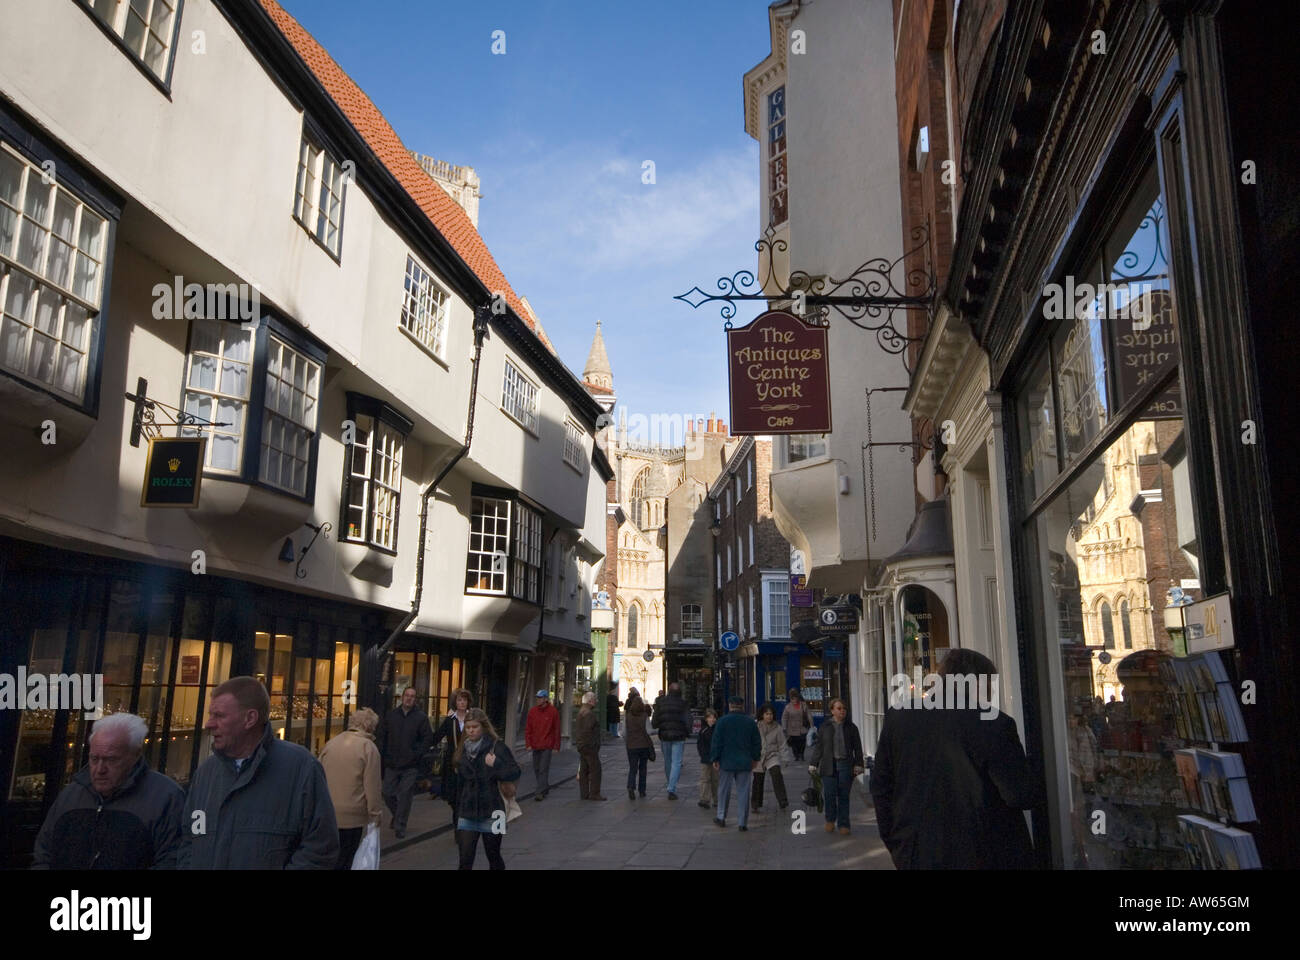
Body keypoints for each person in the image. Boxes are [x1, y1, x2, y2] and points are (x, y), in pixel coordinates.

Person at [870, 649, 1037, 868]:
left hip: (916, 852)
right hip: (984, 854)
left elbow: (881, 787)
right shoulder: (995, 724)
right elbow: (1019, 795)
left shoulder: (899, 717)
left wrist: (898, 844)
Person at [178, 676, 338, 868]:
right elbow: (189, 839)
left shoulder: (301, 768)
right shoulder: (206, 774)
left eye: (219, 716)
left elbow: (320, 848)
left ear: (250, 719)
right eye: (211, 715)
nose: (209, 724)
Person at [32, 712, 184, 869]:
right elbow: (44, 853)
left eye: (111, 760)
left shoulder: (165, 797)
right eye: (94, 759)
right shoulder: (71, 794)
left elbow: (171, 861)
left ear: (135, 755)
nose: (100, 769)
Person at [454, 708, 521, 870]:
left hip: (493, 811)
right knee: (465, 859)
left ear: (483, 727)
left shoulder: (496, 747)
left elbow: (515, 771)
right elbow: (458, 781)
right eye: (468, 727)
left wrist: (496, 764)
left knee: (493, 855)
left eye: (474, 727)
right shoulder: (463, 749)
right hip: (467, 811)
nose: (470, 730)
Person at [318, 707, 383, 869]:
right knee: (347, 859)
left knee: (330, 859)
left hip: (327, 813)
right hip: (352, 816)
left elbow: (318, 775)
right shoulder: (368, 748)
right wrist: (375, 814)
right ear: (370, 727)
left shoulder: (331, 743)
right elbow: (372, 786)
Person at [377, 686, 434, 838]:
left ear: (415, 699)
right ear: (402, 697)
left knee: (405, 794)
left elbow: (427, 738)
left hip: (411, 764)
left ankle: (400, 825)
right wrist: (384, 756)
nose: (409, 698)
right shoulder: (392, 716)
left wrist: (416, 754)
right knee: (387, 793)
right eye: (407, 695)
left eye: (412, 696)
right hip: (392, 762)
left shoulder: (420, 717)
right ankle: (397, 815)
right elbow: (383, 736)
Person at [809, 698, 864, 835]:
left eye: (844, 708)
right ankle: (830, 820)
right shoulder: (825, 727)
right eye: (839, 709)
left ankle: (844, 824)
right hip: (829, 765)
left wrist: (858, 764)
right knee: (829, 794)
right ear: (832, 711)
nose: (842, 711)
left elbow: (857, 748)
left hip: (845, 764)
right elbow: (819, 747)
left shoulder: (851, 728)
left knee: (844, 795)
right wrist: (813, 763)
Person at [710, 695, 762, 831]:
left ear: (730, 705)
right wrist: (756, 758)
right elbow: (757, 742)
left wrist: (715, 758)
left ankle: (721, 817)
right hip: (745, 761)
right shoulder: (750, 722)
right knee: (744, 792)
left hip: (726, 761)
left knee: (723, 791)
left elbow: (716, 742)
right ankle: (742, 822)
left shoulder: (722, 721)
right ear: (742, 706)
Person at [430, 688, 472, 832]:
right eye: (459, 700)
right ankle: (458, 825)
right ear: (455, 702)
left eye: (464, 700)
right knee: (454, 799)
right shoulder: (450, 721)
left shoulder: (472, 719)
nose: (462, 703)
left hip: (469, 764)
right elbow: (436, 737)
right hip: (452, 764)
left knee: (465, 797)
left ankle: (462, 828)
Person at [651, 681, 689, 799]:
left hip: (665, 736)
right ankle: (671, 788)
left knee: (668, 762)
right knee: (676, 762)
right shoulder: (683, 703)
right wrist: (687, 732)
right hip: (679, 736)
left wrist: (659, 725)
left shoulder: (661, 702)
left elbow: (654, 722)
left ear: (669, 690)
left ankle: (670, 785)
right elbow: (688, 720)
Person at [524, 689, 561, 801]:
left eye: (540, 698)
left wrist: (556, 746)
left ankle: (539, 792)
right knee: (536, 768)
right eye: (537, 698)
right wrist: (528, 743)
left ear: (545, 699)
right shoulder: (532, 712)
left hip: (547, 745)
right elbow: (528, 729)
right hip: (535, 745)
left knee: (543, 769)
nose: (538, 700)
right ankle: (544, 787)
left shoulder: (553, 712)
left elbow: (557, 730)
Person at [753, 704, 789, 811]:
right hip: (759, 756)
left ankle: (782, 800)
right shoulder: (756, 726)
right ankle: (756, 803)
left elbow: (782, 744)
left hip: (772, 755)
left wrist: (785, 758)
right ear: (762, 715)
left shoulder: (777, 727)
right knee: (758, 780)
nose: (769, 716)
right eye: (767, 714)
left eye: (771, 714)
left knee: (776, 773)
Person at [574, 691, 606, 800]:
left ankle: (584, 793)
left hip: (582, 745)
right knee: (595, 769)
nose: (596, 702)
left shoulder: (581, 711)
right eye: (595, 700)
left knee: (584, 769)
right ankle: (594, 793)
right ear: (590, 701)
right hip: (589, 746)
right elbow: (588, 731)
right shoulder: (589, 714)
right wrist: (593, 745)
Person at [623, 687, 653, 799]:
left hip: (631, 746)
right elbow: (649, 731)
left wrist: (628, 740)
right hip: (644, 745)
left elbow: (623, 733)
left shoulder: (627, 717)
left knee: (633, 768)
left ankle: (631, 787)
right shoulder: (645, 716)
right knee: (643, 768)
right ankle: (642, 790)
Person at [696, 708, 719, 808]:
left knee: (716, 780)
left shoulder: (718, 730)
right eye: (710, 717)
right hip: (706, 758)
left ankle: (717, 800)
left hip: (716, 759)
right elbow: (700, 745)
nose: (712, 719)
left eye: (714, 717)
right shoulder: (703, 731)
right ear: (706, 719)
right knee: (705, 779)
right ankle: (704, 799)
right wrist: (703, 755)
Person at [781, 689, 812, 762]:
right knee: (794, 744)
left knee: (802, 742)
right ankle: (796, 755)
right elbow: (784, 718)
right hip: (792, 728)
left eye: (795, 698)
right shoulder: (788, 707)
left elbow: (809, 715)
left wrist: (812, 725)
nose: (794, 700)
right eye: (792, 699)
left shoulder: (803, 705)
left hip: (802, 728)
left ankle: (801, 754)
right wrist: (784, 727)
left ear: (798, 698)